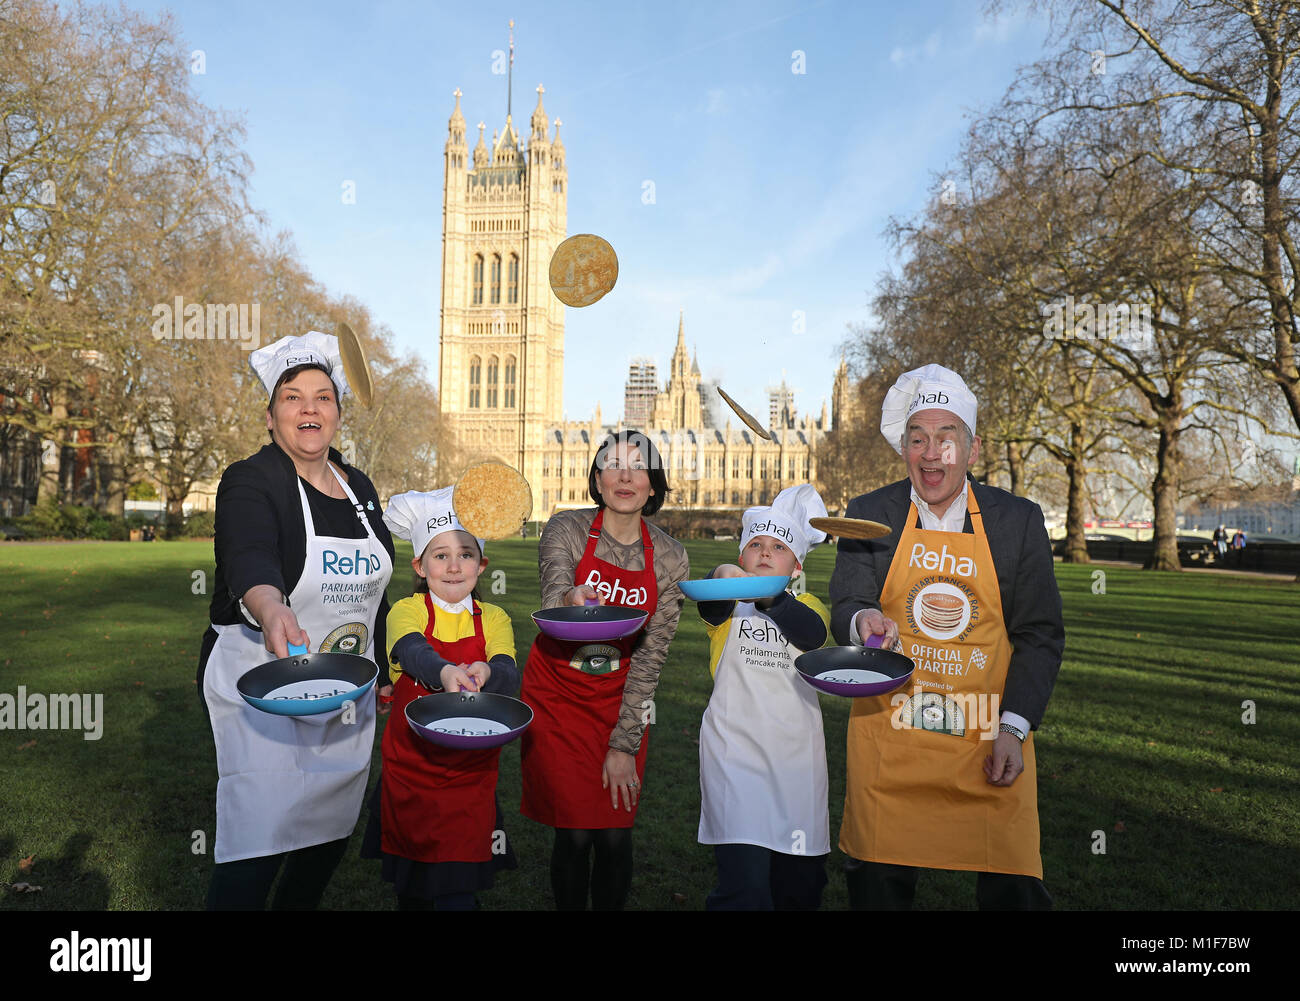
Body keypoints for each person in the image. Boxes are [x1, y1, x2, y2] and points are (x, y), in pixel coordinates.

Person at [829, 363, 1064, 911]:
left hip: (986, 740)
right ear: (905, 448)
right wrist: (863, 622)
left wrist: (1015, 727)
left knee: (1014, 889)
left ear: (972, 448)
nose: (932, 454)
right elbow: (850, 600)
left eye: (946, 437)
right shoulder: (870, 514)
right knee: (876, 887)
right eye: (918, 439)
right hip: (892, 739)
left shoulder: (1017, 522)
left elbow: (1040, 635)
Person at [197, 330, 394, 910]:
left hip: (343, 694)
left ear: (337, 414)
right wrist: (271, 604)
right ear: (271, 416)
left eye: (322, 396)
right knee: (255, 850)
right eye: (292, 396)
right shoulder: (250, 480)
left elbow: (373, 590)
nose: (309, 407)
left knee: (323, 845)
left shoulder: (360, 488)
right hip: (262, 687)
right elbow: (248, 554)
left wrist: (383, 666)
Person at [519, 429, 689, 910]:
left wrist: (623, 744)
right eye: (612, 465)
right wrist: (571, 601)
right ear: (597, 478)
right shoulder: (566, 529)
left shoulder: (672, 557)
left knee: (615, 836)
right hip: (558, 697)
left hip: (622, 698)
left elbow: (653, 656)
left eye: (638, 466)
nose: (625, 475)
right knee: (573, 836)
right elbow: (552, 600)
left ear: (653, 484)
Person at [361, 488, 518, 910]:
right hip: (412, 772)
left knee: (456, 891)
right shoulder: (405, 612)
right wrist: (447, 672)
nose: (453, 567)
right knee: (412, 889)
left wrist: (487, 671)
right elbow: (413, 652)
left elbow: (507, 670)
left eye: (466, 554)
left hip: (470, 777)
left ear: (482, 565)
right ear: (419, 564)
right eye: (440, 555)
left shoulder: (496, 618)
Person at [696, 484, 831, 910]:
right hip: (734, 761)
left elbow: (811, 634)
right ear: (742, 557)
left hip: (797, 766)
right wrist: (722, 574)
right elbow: (710, 602)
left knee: (800, 889)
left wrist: (771, 597)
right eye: (755, 544)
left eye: (779, 547)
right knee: (745, 889)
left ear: (796, 567)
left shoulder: (810, 605)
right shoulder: (728, 608)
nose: (766, 552)